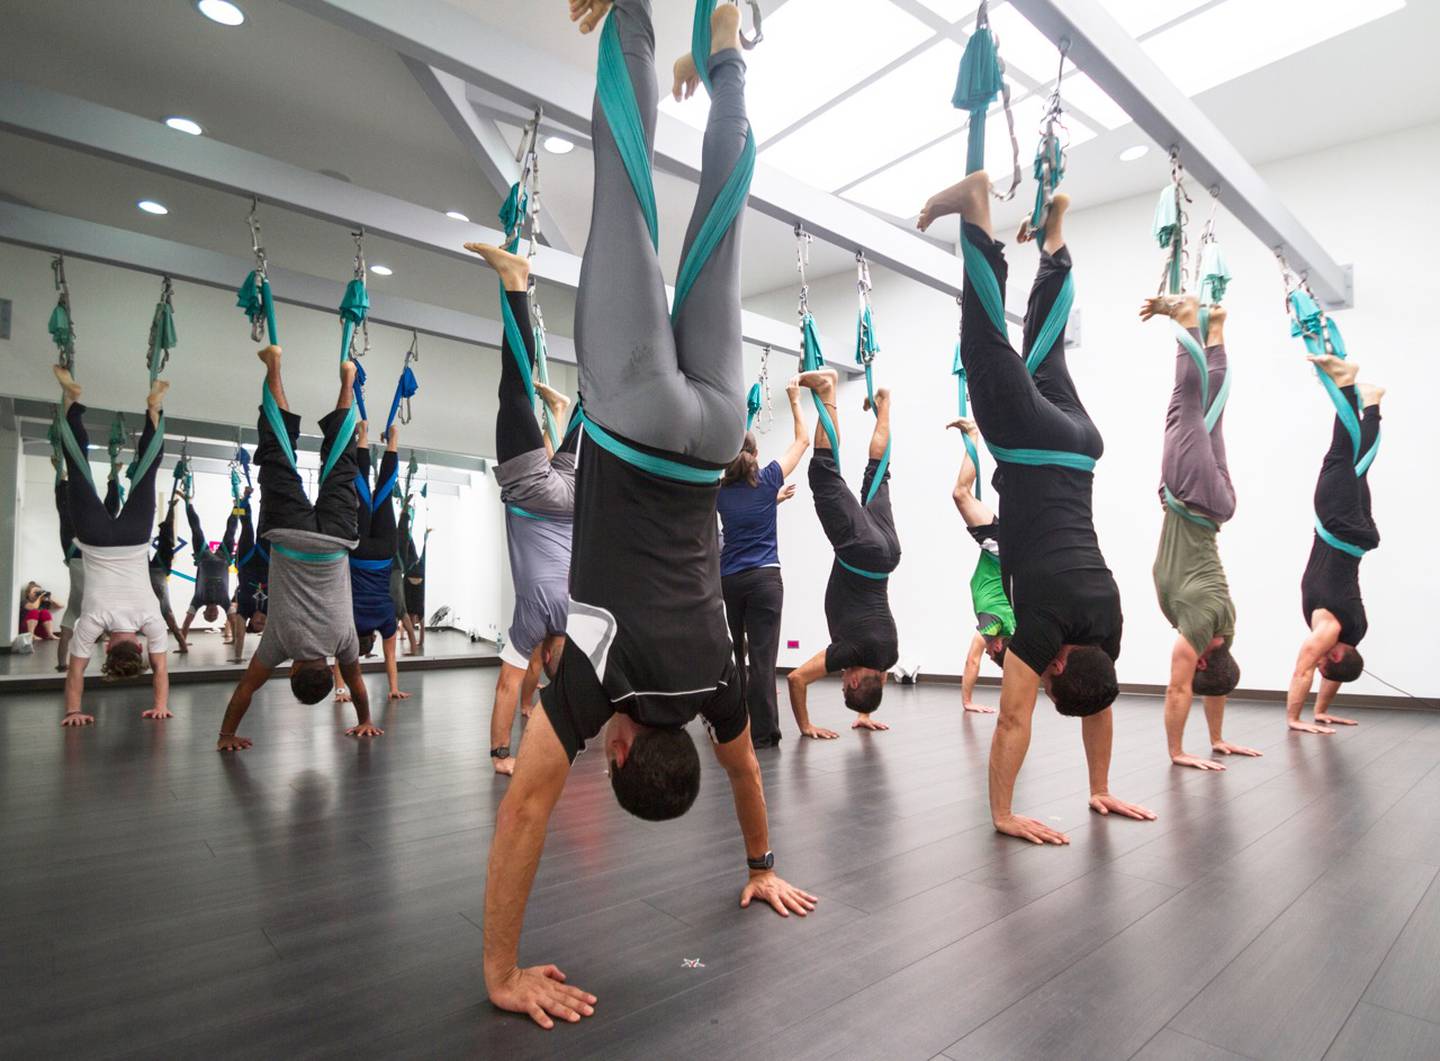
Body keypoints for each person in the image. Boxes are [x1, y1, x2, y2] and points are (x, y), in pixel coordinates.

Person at [483, 1, 815, 1030]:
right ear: (621, 751)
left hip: (714, 435)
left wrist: (761, 865)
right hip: (629, 417)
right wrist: (502, 971)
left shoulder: (718, 682)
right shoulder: (598, 680)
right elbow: (527, 805)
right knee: (624, 181)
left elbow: (747, 770)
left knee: (722, 215)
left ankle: (726, 57)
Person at [918, 178, 1154, 844]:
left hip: (1081, 450)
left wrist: (1100, 788)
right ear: (1058, 665)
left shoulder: (1107, 630)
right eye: (1053, 680)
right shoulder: (1044, 634)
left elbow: (1100, 700)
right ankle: (977, 213)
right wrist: (1002, 814)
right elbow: (1013, 720)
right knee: (985, 346)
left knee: (1047, 348)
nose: (1046, 678)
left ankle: (1055, 238)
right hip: (1029, 448)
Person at [215, 346, 382, 751]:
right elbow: (246, 689)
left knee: (342, 461)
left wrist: (366, 721)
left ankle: (347, 381)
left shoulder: (344, 642)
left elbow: (358, 686)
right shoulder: (279, 643)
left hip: (336, 540)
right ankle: (274, 365)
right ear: (291, 673)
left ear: (327, 669)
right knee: (277, 452)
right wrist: (226, 735)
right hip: (288, 535)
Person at [465, 241, 576, 777]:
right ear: (547, 656)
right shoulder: (533, 620)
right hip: (533, 494)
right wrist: (500, 755)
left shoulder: (588, 616)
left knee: (597, 413)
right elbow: (508, 685)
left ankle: (567, 411)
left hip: (573, 499)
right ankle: (515, 281)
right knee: (514, 388)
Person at [1139, 294, 1260, 768]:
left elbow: (1217, 683)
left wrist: (1218, 738)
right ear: (1204, 660)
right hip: (1189, 497)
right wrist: (1177, 751)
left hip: (1218, 508)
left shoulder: (1225, 628)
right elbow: (1178, 688)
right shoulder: (1197, 628)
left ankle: (1216, 328)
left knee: (1213, 412)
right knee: (1185, 408)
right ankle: (1188, 317)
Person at [52, 366, 172, 727]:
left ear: (139, 646)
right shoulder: (92, 623)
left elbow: (160, 670)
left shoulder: (151, 623)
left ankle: (154, 411)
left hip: (135, 539)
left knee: (147, 471)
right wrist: (73, 711)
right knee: (78, 467)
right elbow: (75, 672)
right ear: (107, 647)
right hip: (95, 538)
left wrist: (160, 705)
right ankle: (72, 404)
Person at [785, 369, 900, 738]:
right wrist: (806, 726)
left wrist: (866, 711)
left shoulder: (888, 657)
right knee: (823, 473)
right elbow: (796, 679)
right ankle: (828, 389)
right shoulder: (849, 653)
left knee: (878, 474)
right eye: (845, 684)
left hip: (887, 554)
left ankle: (885, 402)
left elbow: (876, 679)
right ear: (851, 681)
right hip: (859, 552)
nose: (842, 678)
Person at [1285, 353, 1383, 734]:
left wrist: (1322, 710)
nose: (1321, 662)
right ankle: (1346, 382)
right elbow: (1303, 670)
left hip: (1361, 536)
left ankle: (1371, 403)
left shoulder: (1355, 634)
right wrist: (1295, 718)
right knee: (1340, 458)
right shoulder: (1328, 633)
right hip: (1338, 526)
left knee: (1359, 465)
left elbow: (1334, 673)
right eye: (1327, 662)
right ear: (1337, 655)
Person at [717, 381, 809, 747]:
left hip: (730, 580)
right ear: (756, 454)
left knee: (735, 656)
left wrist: (774, 502)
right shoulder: (769, 478)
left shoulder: (719, 491)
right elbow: (802, 441)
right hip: (765, 581)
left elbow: (740, 519)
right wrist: (795, 400)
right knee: (762, 658)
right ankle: (764, 732)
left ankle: (732, 726)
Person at [332, 419, 410, 704]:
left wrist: (394, 688)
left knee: (384, 493)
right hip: (360, 553)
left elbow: (391, 657)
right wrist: (340, 690)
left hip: (384, 553)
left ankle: (393, 440)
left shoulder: (386, 623)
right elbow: (338, 660)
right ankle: (363, 435)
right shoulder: (349, 624)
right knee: (363, 491)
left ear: (373, 639)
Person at [948, 417, 1011, 715]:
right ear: (996, 646)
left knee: (968, 495)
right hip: (999, 549)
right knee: (961, 494)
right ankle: (974, 432)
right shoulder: (993, 624)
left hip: (1004, 552)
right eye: (990, 652)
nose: (986, 651)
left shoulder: (1017, 625)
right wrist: (967, 701)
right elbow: (972, 659)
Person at [179, 499, 235, 643]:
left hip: (203, 556)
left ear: (203, 612)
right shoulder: (225, 601)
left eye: (209, 616)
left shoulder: (198, 600)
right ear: (218, 613)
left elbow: (187, 622)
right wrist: (236, 641)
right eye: (214, 616)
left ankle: (188, 502)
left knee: (196, 530)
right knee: (231, 531)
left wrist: (182, 644)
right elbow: (234, 621)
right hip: (223, 557)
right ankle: (238, 505)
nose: (212, 613)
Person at [225, 487, 268, 663]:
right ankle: (266, 499)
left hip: (246, 561)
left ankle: (245, 498)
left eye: (258, 623)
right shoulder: (269, 609)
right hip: (265, 560)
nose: (262, 621)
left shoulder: (244, 610)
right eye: (264, 624)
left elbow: (240, 635)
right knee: (264, 527)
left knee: (247, 528)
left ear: (250, 621)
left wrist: (238, 658)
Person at [148, 494, 190, 653]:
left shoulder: (155, 610)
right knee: (166, 540)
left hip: (153, 572)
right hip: (157, 572)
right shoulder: (160, 610)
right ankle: (170, 508)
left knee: (165, 540)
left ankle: (169, 508)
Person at [396, 503, 426, 655]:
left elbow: (403, 614)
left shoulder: (416, 612)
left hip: (412, 571)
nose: (415, 623)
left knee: (406, 544)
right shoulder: (420, 612)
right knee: (408, 545)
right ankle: (405, 520)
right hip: (417, 572)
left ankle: (405, 520)